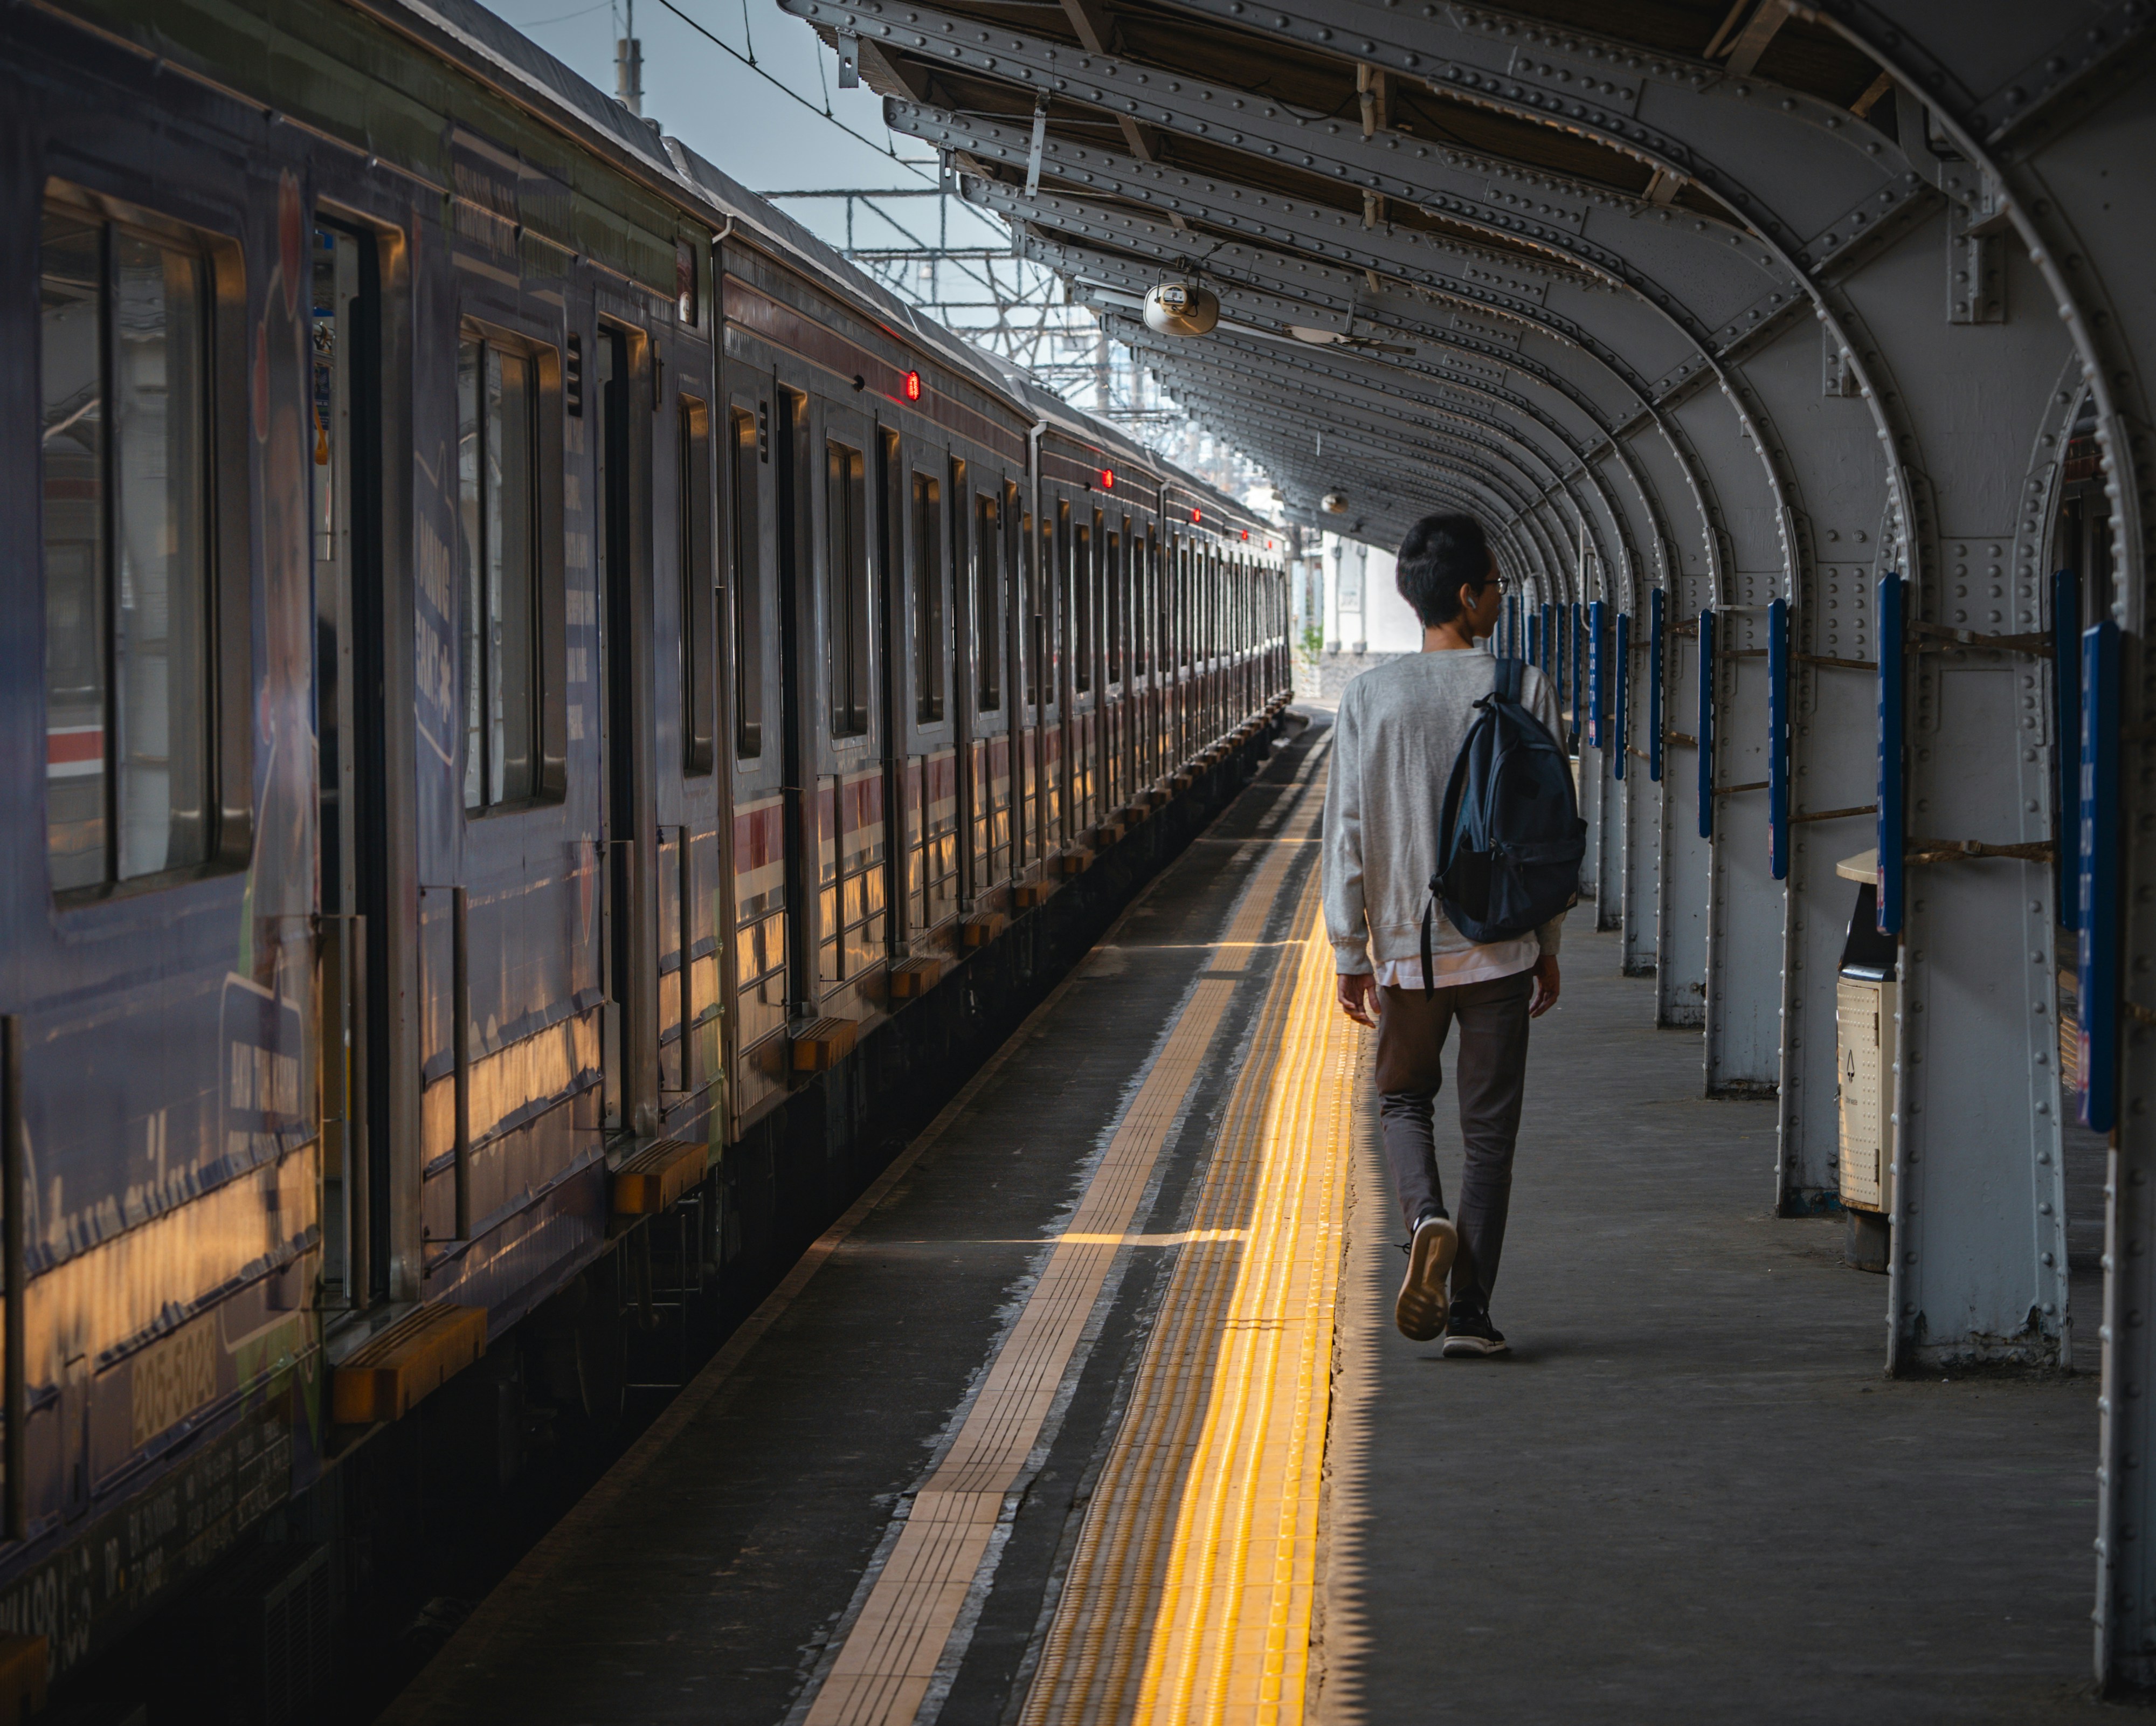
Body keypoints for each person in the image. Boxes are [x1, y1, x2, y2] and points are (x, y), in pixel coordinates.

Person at [1321, 513, 1565, 1358]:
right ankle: (1471, 1314)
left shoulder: (1368, 698)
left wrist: (1350, 951)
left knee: (1401, 1098)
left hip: (1406, 950)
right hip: (1499, 945)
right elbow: (1551, 830)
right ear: (1467, 596)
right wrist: (1549, 940)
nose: (1501, 595)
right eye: (1495, 584)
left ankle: (1424, 1216)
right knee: (1490, 1133)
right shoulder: (1523, 686)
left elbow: (1348, 831)